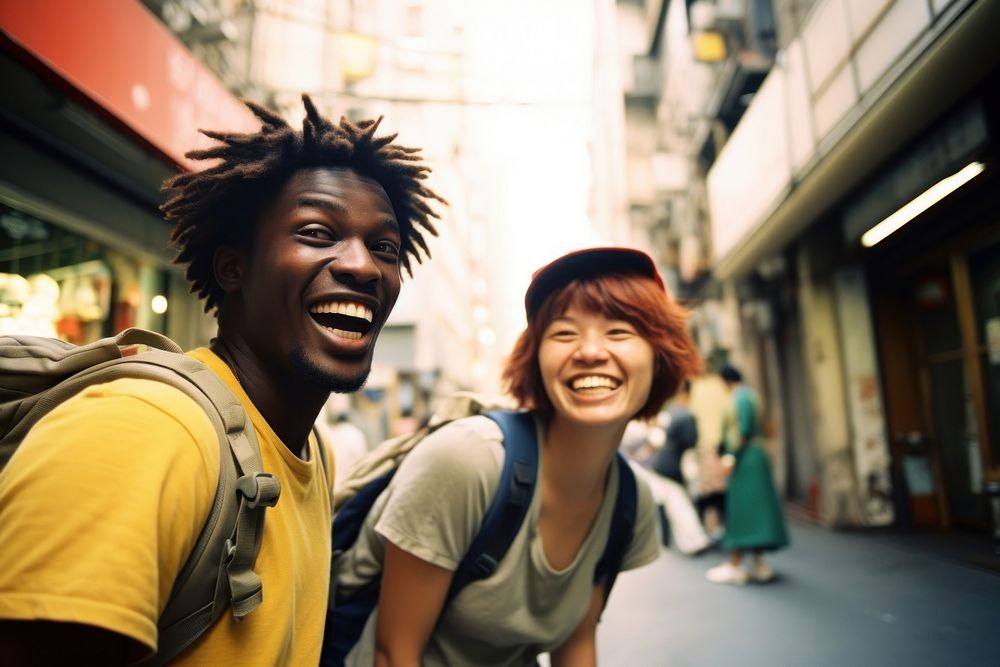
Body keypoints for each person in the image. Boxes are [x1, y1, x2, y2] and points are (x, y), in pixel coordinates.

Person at [0, 95, 444, 664]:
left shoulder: (313, 450)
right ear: (233, 267)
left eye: (384, 247)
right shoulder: (147, 430)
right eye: (316, 232)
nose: (362, 265)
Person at [333, 246, 702, 666]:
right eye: (564, 333)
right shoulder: (469, 460)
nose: (590, 351)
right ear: (537, 362)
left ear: (659, 356)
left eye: (619, 332)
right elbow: (393, 653)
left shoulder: (629, 501)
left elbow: (577, 643)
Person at [705, 364, 789, 585]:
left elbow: (743, 430)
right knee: (757, 511)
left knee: (740, 510)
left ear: (725, 381)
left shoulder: (738, 398)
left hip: (744, 459)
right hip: (756, 457)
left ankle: (736, 565)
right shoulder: (753, 396)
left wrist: (730, 456)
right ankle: (759, 563)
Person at [644, 380, 711, 555]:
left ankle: (692, 541)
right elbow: (691, 443)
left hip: (664, 465)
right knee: (680, 505)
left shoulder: (674, 414)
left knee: (675, 505)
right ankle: (695, 541)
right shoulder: (686, 415)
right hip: (671, 466)